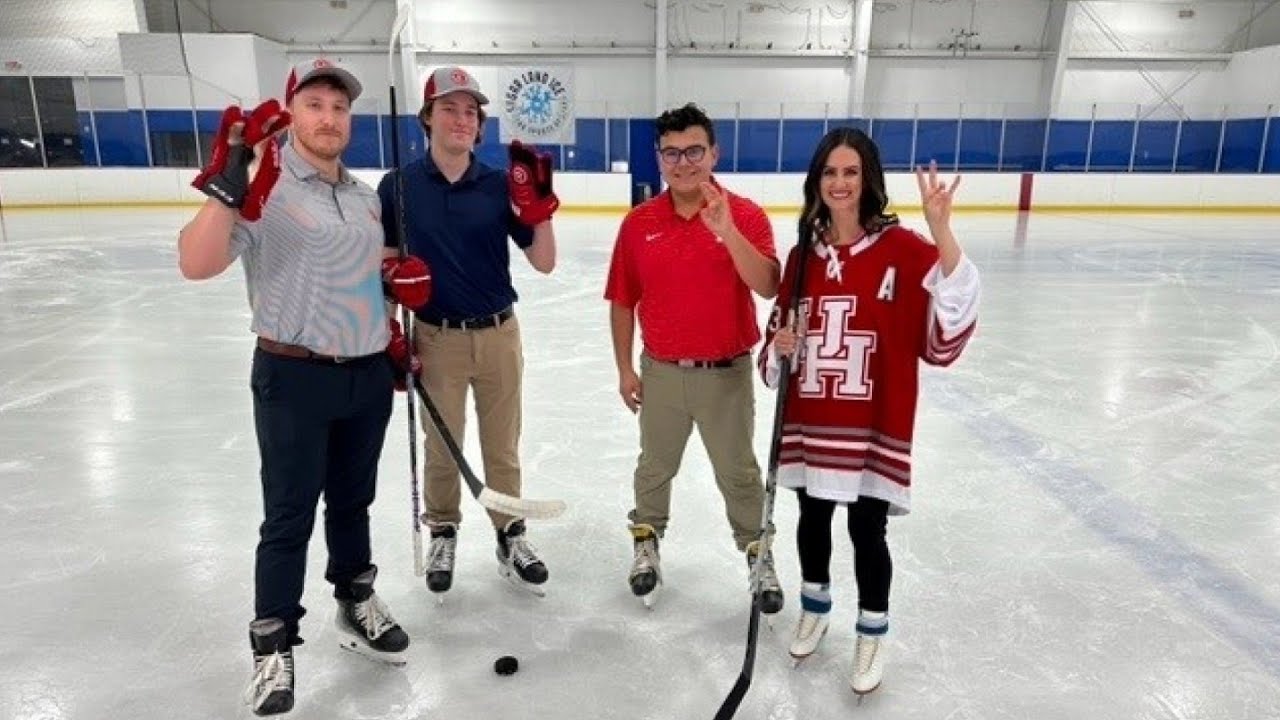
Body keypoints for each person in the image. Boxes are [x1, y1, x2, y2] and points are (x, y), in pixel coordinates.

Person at [178, 58, 429, 716]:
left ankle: (354, 600)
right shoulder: (265, 184)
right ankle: (273, 643)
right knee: (288, 517)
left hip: (366, 378)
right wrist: (226, 190)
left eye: (339, 107)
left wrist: (391, 317)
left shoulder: (366, 196)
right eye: (315, 104)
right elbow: (196, 264)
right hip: (293, 376)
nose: (329, 117)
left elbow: (367, 275)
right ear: (292, 113)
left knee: (352, 505)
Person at [758, 127, 980, 695]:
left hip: (873, 422)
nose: (840, 183)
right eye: (830, 172)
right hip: (812, 418)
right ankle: (815, 605)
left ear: (868, 179)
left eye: (851, 172)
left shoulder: (905, 251)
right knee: (812, 518)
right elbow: (775, 344)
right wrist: (781, 348)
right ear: (817, 181)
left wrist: (942, 230)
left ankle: (872, 631)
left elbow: (949, 318)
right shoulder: (802, 257)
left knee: (866, 528)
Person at [377, 66, 559, 598]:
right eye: (450, 108)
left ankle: (510, 536)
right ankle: (443, 531)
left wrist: (540, 210)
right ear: (427, 118)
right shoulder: (400, 187)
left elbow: (544, 262)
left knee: (503, 447)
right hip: (436, 338)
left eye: (471, 112)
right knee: (442, 446)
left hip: (500, 334)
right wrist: (391, 321)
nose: (461, 119)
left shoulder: (499, 185)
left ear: (479, 127)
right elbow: (384, 266)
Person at [603, 103, 784, 611]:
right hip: (660, 373)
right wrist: (624, 368)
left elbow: (769, 286)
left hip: (726, 374)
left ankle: (758, 553)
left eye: (694, 151)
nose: (683, 163)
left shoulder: (744, 213)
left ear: (714, 153)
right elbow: (622, 299)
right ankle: (646, 542)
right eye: (671, 153)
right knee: (654, 467)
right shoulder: (639, 224)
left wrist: (726, 231)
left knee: (739, 473)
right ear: (658, 158)